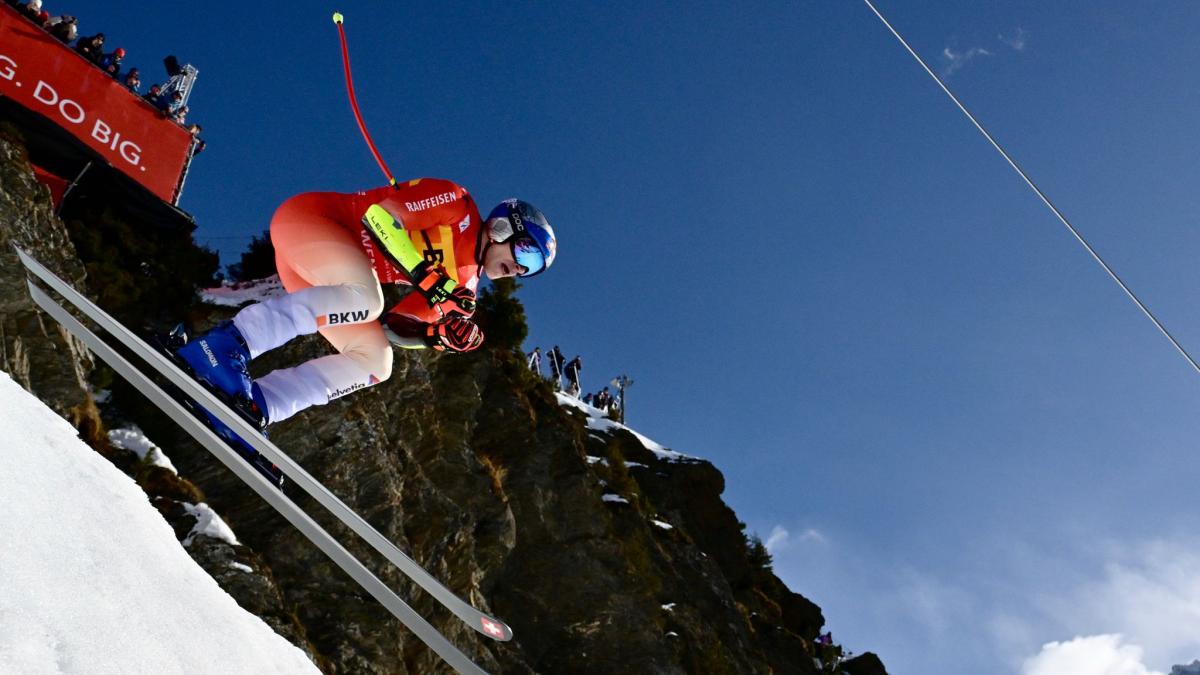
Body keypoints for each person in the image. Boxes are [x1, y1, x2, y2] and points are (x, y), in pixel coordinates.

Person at [175, 181, 557, 431]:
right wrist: (428, 278)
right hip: (313, 223)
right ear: (502, 228)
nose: (520, 268)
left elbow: (394, 327)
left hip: (320, 280)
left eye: (533, 268)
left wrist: (433, 334)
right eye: (525, 251)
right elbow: (380, 218)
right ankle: (225, 345)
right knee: (367, 298)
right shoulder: (456, 204)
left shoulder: (462, 292)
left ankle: (258, 406)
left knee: (377, 361)